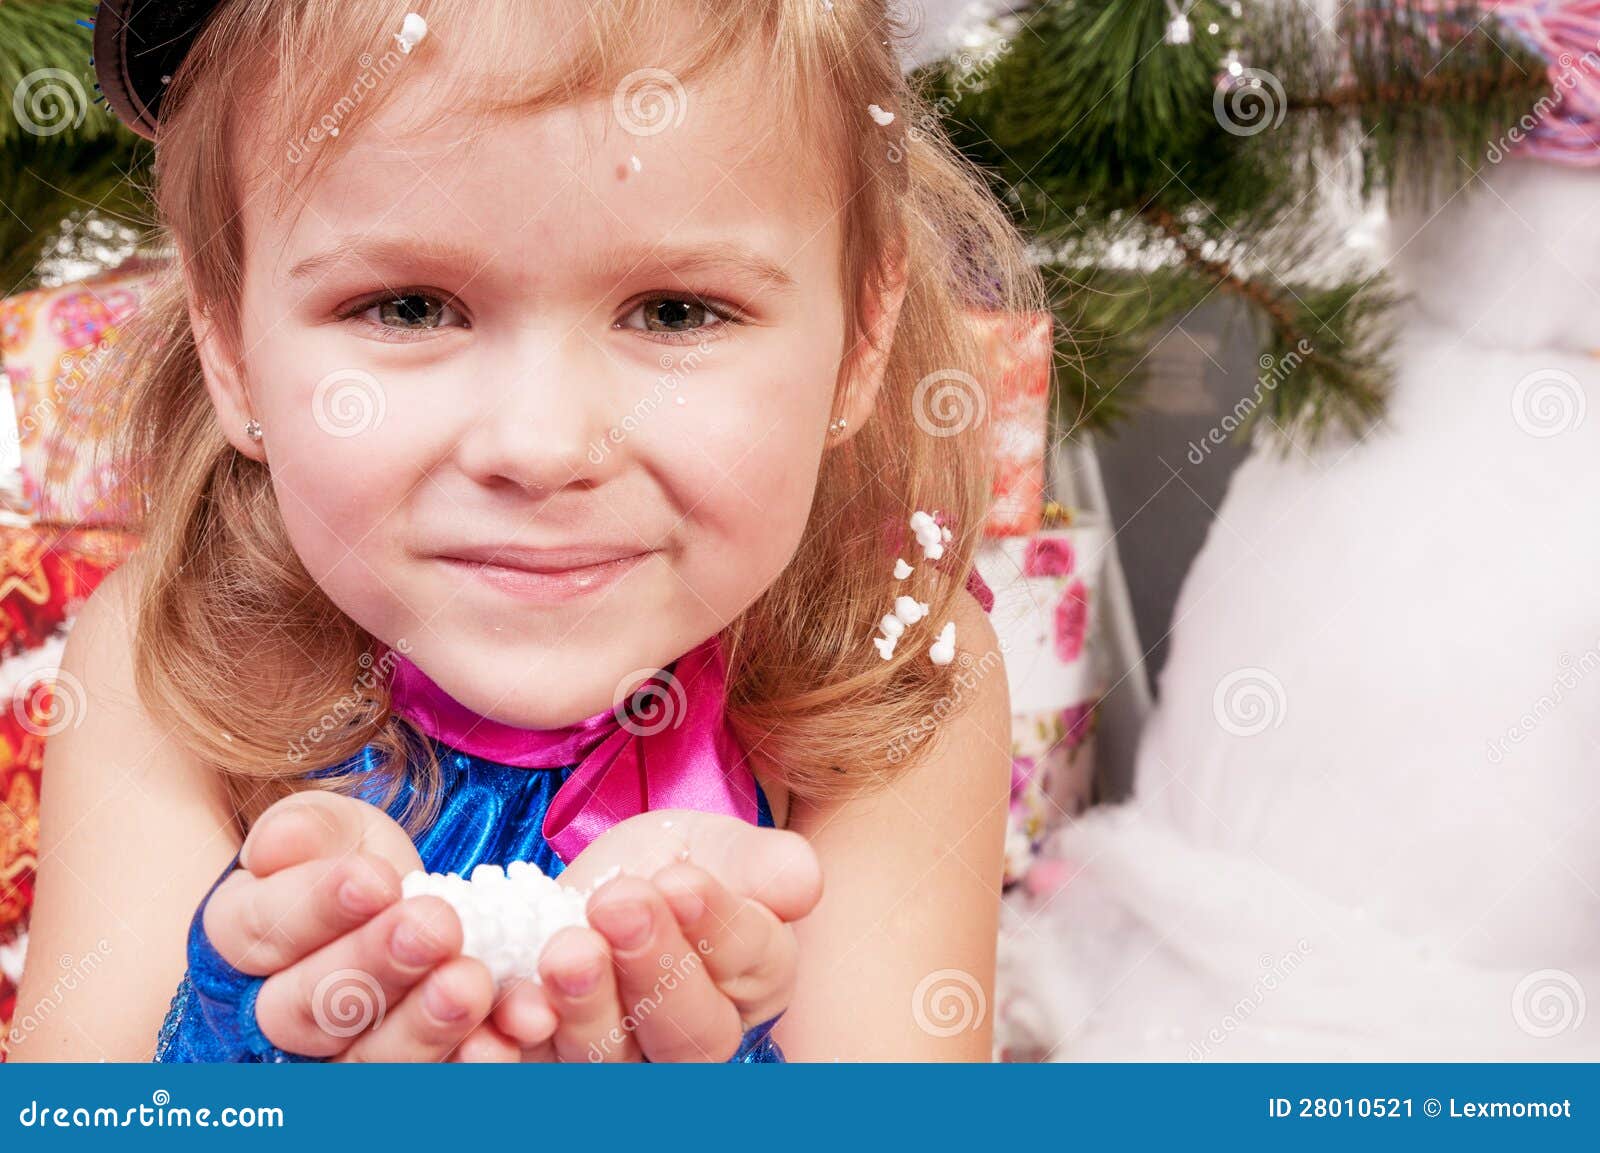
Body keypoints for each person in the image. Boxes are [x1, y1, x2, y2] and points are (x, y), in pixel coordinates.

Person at [9, 0, 1036, 1062]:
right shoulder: (169, 652)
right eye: (406, 307)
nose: (542, 447)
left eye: (677, 311)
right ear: (228, 340)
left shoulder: (902, 671)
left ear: (861, 338)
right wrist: (244, 1049)